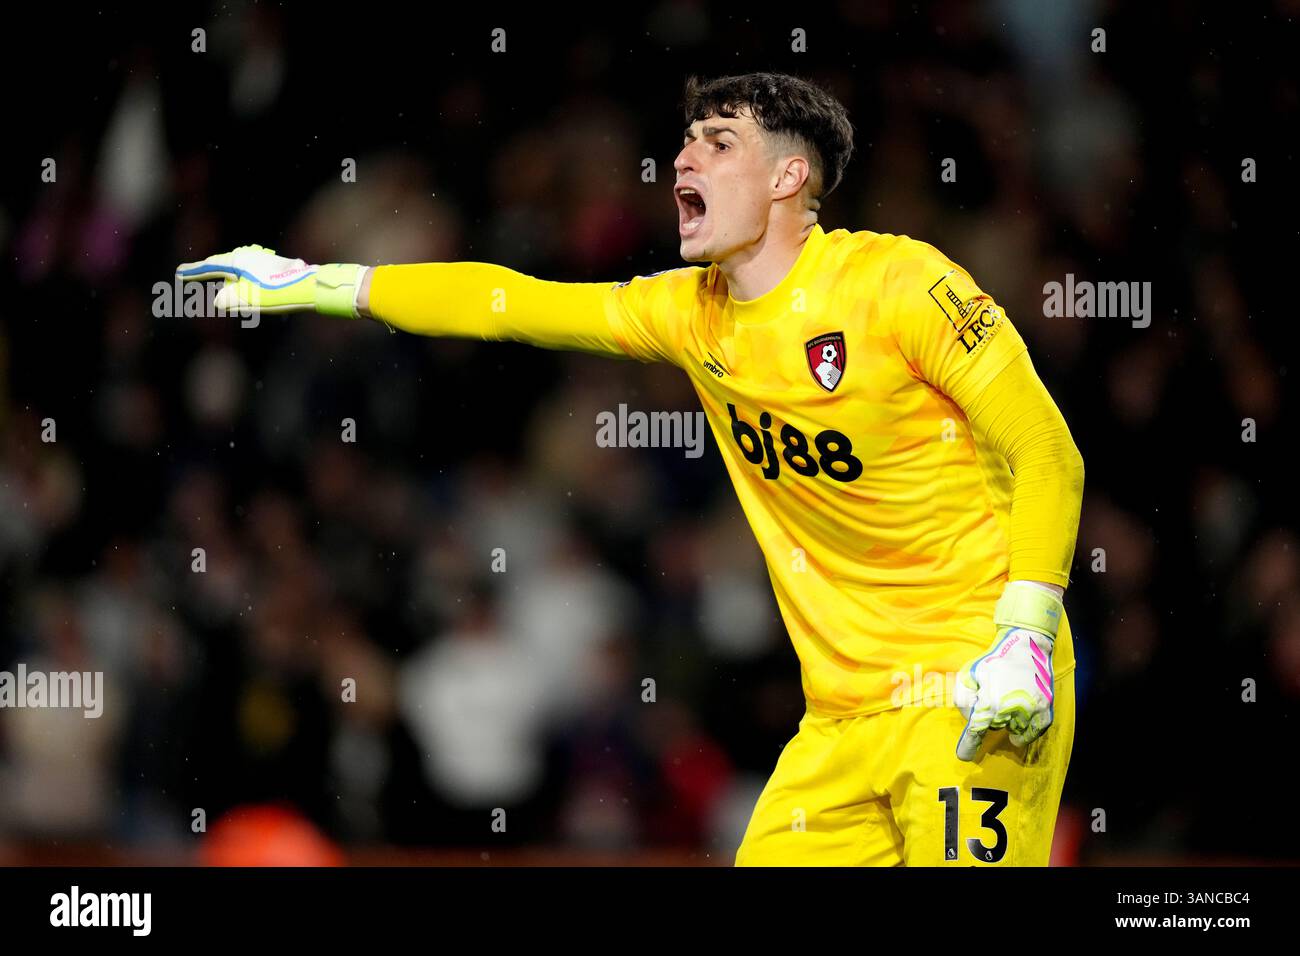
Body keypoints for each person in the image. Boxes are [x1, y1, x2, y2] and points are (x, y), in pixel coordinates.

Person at [176, 71, 1084, 866]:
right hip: (840, 720)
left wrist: (1026, 634)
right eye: (684, 142)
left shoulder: (901, 286)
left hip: (976, 682)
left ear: (788, 177)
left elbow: (1048, 449)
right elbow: (509, 303)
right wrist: (320, 282)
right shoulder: (689, 313)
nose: (684, 160)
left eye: (718, 142)